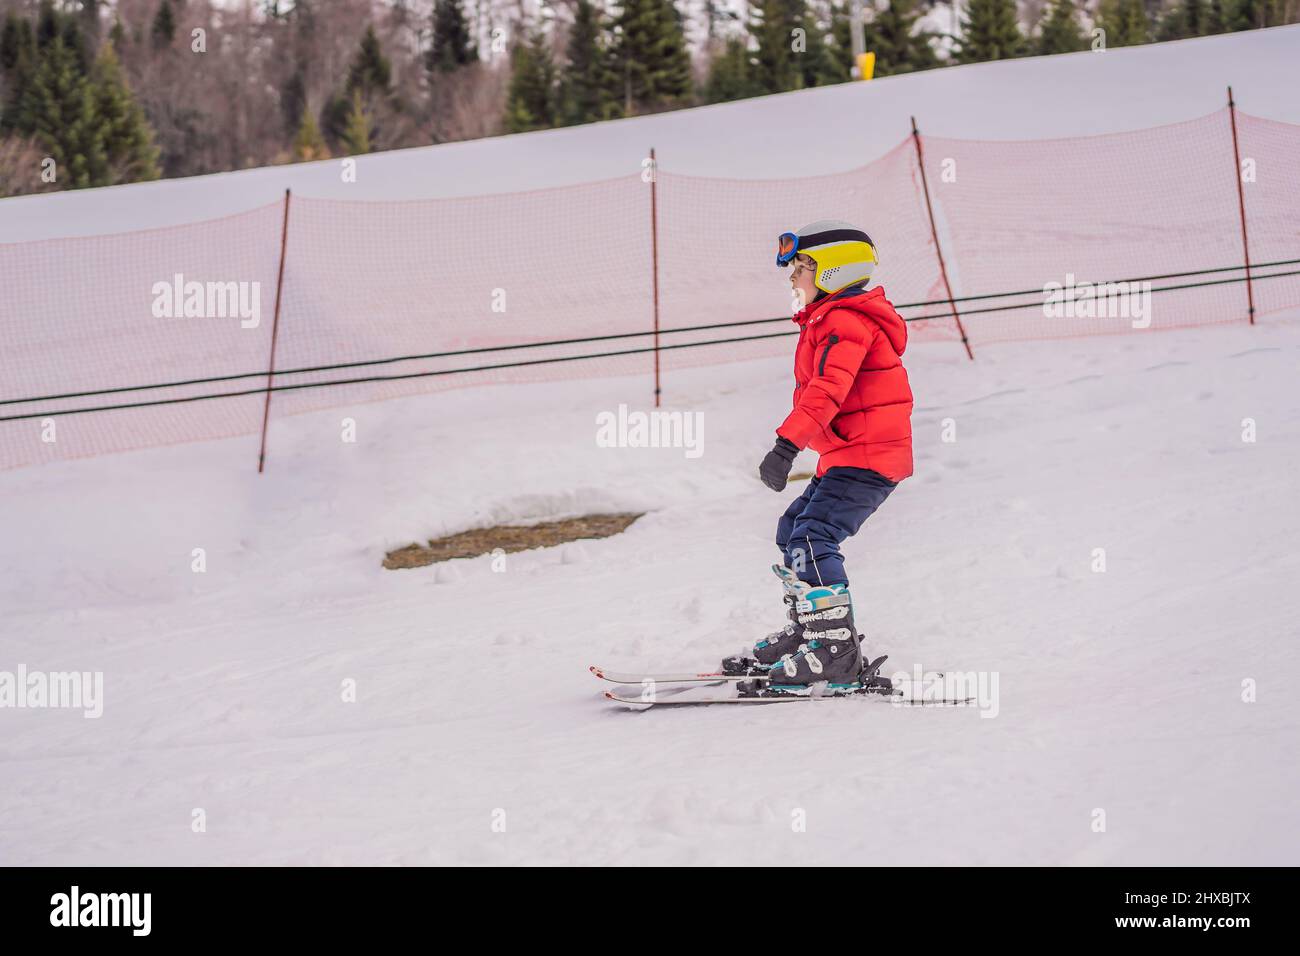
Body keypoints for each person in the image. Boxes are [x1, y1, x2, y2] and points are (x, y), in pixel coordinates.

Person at [725, 221, 914, 692]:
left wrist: (786, 446)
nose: (793, 277)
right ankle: (815, 633)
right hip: (849, 454)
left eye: (803, 266)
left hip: (868, 458)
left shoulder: (844, 322)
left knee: (812, 540)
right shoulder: (830, 318)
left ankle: (835, 652)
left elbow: (827, 390)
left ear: (834, 271)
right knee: (793, 531)